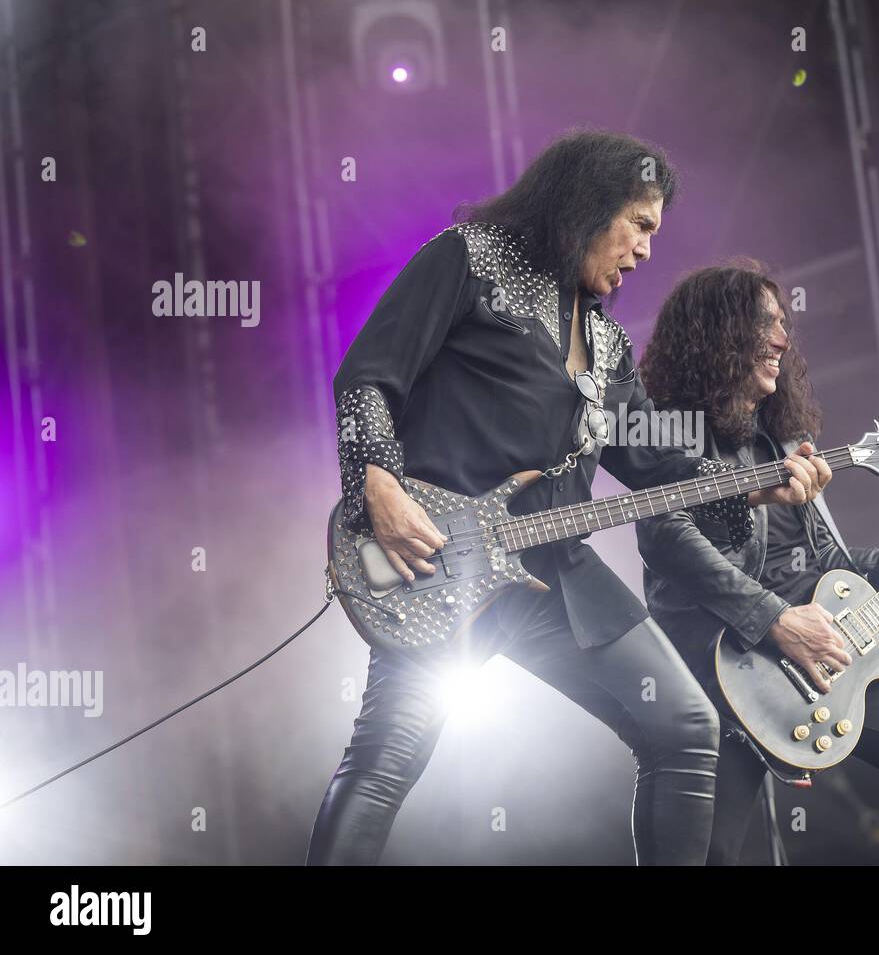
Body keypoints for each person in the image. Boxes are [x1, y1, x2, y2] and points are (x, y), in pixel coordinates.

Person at [306, 133, 819, 865]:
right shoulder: (467, 259)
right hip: (443, 562)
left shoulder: (608, 346)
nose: (645, 251)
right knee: (387, 759)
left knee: (684, 726)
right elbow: (366, 378)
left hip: (558, 578)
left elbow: (651, 461)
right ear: (588, 207)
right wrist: (377, 484)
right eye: (639, 225)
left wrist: (757, 483)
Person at [635, 262, 879, 865]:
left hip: (831, 663)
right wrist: (775, 619)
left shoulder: (782, 444)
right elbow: (664, 534)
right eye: (762, 324)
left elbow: (833, 569)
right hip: (727, 675)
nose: (780, 340)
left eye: (782, 324)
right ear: (717, 334)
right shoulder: (673, 434)